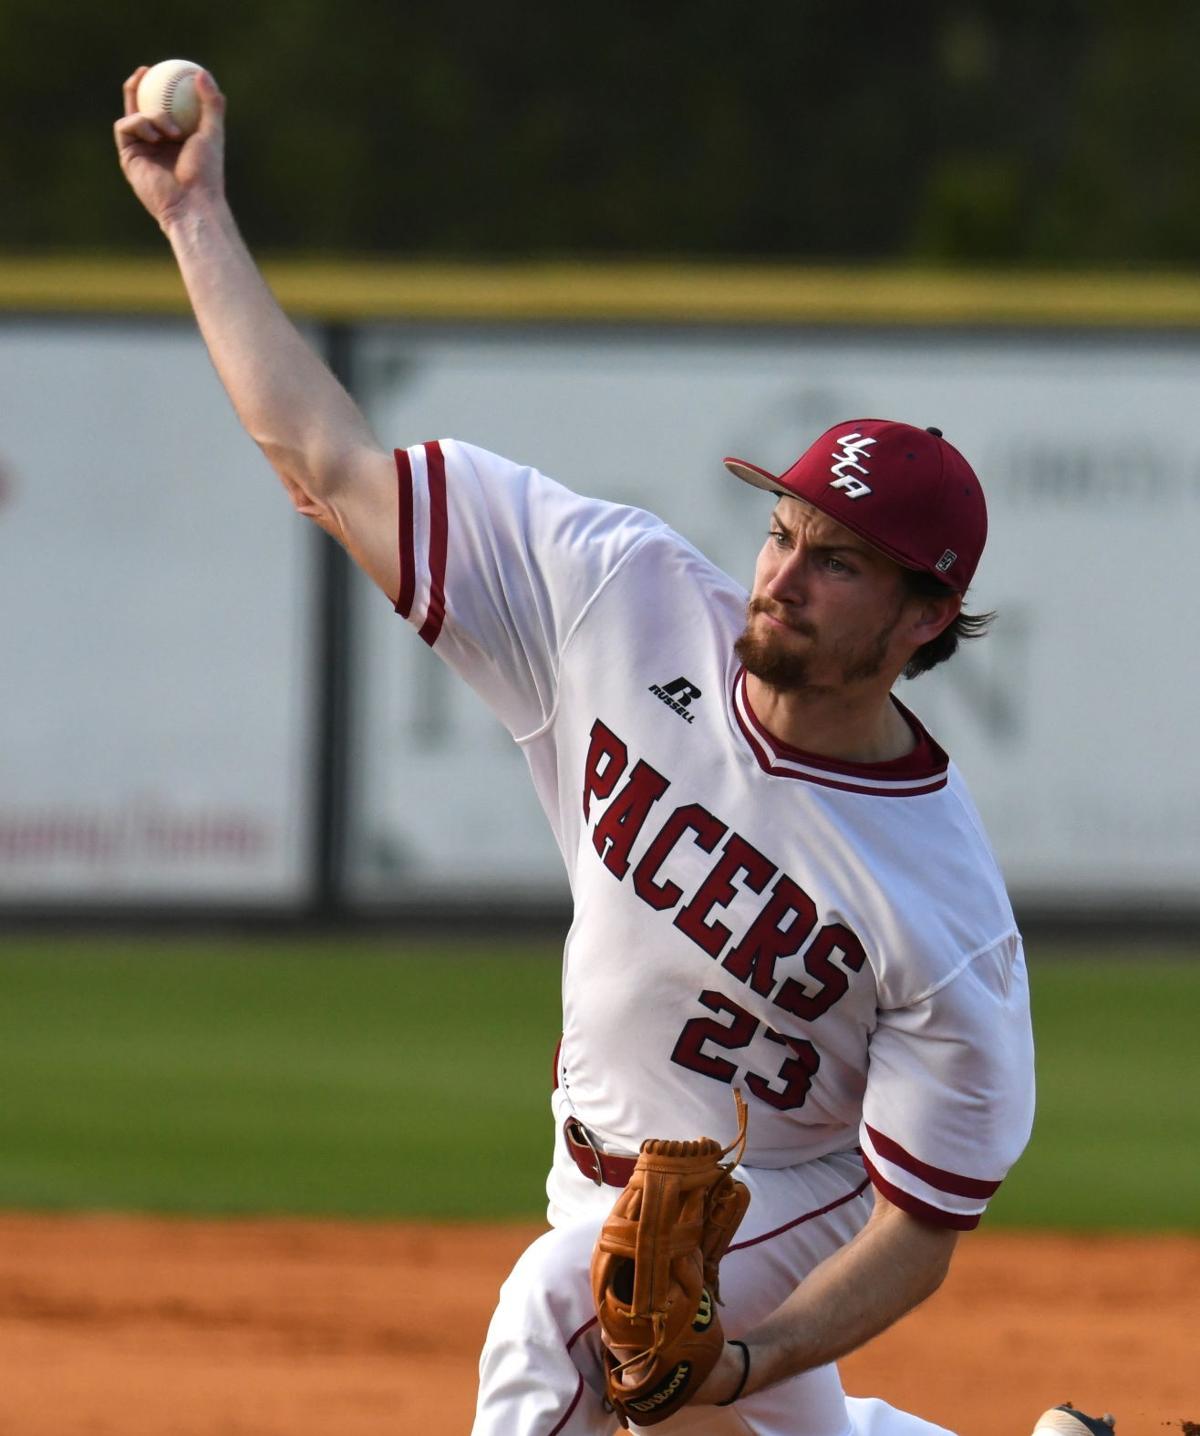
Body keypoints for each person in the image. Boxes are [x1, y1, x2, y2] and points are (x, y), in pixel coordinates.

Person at [114, 68, 1116, 1436]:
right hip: (588, 1166)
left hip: (784, 1202)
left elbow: (920, 1228)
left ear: (927, 616)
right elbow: (330, 463)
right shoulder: (618, 598)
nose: (784, 575)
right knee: (691, 1404)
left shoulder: (944, 918)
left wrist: (752, 1354)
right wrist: (193, 218)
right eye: (783, 534)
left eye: (838, 564)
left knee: (554, 1321)